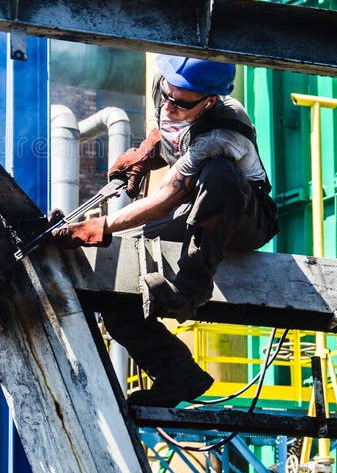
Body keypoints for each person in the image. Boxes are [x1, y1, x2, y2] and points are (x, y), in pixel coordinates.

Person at [51, 55, 279, 407]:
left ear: (211, 101)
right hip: (198, 212)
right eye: (168, 96)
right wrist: (144, 154)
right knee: (117, 283)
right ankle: (177, 372)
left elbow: (168, 196)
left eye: (183, 103)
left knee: (219, 174)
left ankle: (190, 290)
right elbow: (168, 132)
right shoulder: (167, 85)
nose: (170, 105)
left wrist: (104, 225)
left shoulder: (223, 132)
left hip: (246, 217)